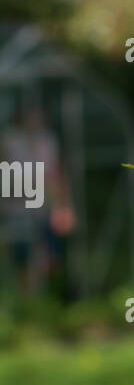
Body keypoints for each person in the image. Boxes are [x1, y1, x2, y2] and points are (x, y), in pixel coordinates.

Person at [1, 106, 77, 295]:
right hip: (16, 209)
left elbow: (56, 174)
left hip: (44, 208)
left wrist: (64, 205)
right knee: (23, 260)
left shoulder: (47, 140)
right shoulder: (9, 139)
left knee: (50, 259)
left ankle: (42, 301)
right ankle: (29, 304)